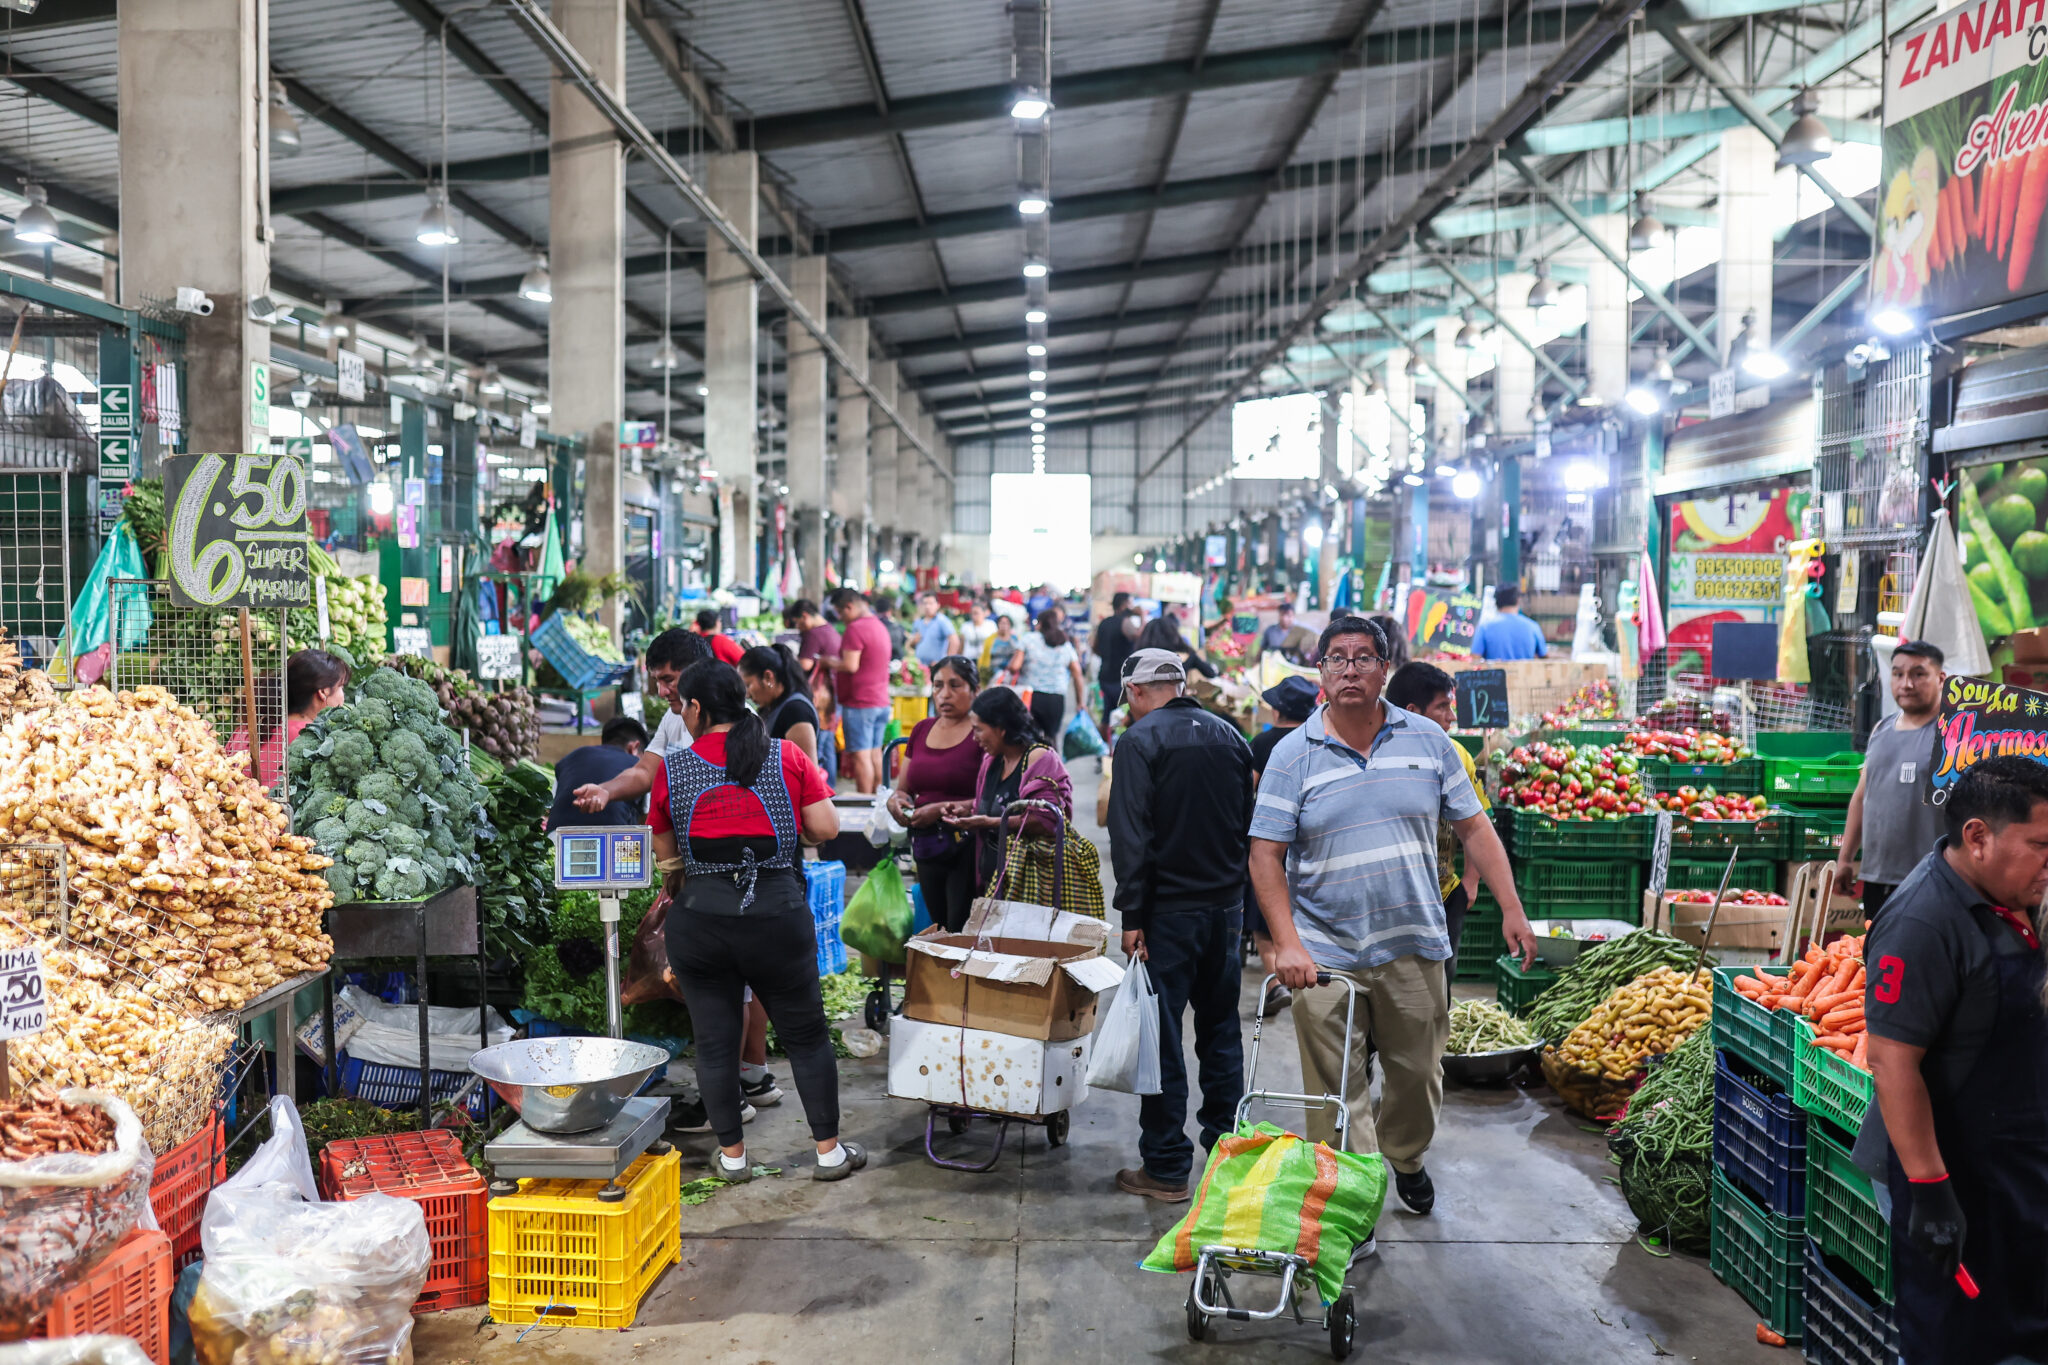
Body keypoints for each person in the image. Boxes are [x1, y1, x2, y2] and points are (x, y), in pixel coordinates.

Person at [1249, 615, 1535, 1216]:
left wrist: (1511, 906)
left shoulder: (1429, 741)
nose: (1350, 669)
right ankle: (1351, 1204)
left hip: (1414, 943)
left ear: (1384, 670)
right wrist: (1286, 943)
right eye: (1337, 658)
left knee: (1418, 1077)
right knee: (1334, 1092)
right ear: (1321, 672)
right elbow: (1265, 855)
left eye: (1363, 658)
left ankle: (1404, 1154)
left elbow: (1474, 827)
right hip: (1324, 954)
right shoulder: (1291, 756)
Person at [1861, 754, 2048, 1365]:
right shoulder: (1923, 920)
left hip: (2018, 1170)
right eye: (2041, 845)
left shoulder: (2015, 895)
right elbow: (1892, 1061)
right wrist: (1931, 1190)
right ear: (1978, 837)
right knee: (1961, 1342)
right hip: (1961, 1182)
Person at [649, 661, 864, 1182]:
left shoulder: (673, 769)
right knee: (807, 1036)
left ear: (696, 708)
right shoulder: (786, 754)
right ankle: (829, 1153)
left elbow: (666, 853)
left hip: (701, 924)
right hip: (776, 918)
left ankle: (733, 1158)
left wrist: (691, 870)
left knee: (714, 1042)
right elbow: (825, 826)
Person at [1105, 649, 1254, 1202]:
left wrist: (1132, 915)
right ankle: (1227, 1163)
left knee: (1161, 1037)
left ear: (1136, 691)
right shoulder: (1230, 736)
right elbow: (1248, 824)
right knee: (1221, 1032)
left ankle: (1167, 1167)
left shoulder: (1139, 741)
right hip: (1226, 910)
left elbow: (1131, 836)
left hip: (1167, 915)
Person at [1384, 661, 1491, 988]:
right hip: (1391, 901)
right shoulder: (1380, 757)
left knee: (1440, 982)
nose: (1451, 716)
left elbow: (1477, 823)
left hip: (1444, 894)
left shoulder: (1457, 755)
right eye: (1442, 707)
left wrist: (1470, 881)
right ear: (1413, 711)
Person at [1835, 641, 1945, 922]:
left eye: (1919, 674)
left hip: (1933, 879)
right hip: (1878, 877)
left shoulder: (1953, 736)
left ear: (1941, 678)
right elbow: (1862, 797)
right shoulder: (1880, 730)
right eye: (1898, 674)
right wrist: (1845, 859)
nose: (1906, 684)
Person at [943, 687, 1074, 894]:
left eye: (978, 729)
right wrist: (966, 811)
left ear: (1000, 728)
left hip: (1032, 887)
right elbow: (991, 804)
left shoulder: (1039, 759)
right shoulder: (992, 760)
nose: (974, 738)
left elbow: (1047, 820)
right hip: (994, 882)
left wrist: (991, 822)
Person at [887, 657, 984, 932]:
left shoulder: (981, 733)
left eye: (955, 685)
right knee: (938, 926)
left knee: (959, 928)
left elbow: (992, 797)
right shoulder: (921, 730)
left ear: (975, 690)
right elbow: (904, 789)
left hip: (968, 847)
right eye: (938, 685)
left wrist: (939, 809)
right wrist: (897, 802)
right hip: (927, 844)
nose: (945, 694)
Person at [1246, 674, 1320, 1017]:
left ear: (1276, 711)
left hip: (1272, 840)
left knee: (1262, 917)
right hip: (1311, 842)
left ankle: (1275, 980)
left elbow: (1249, 788)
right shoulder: (1318, 741)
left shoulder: (1263, 744)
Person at [824, 587, 892, 794]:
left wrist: (828, 661)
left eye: (840, 612)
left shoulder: (855, 629)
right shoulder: (878, 625)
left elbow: (850, 665)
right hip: (880, 700)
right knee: (875, 753)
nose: (840, 618)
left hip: (860, 703)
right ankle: (878, 801)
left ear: (849, 607)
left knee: (861, 757)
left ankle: (864, 803)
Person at [254, 648, 352, 788]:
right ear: (323, 692)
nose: (343, 696)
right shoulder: (317, 741)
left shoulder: (249, 728)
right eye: (341, 687)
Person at [547, 717, 648, 830]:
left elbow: (551, 806)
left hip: (557, 836)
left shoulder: (568, 759)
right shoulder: (639, 767)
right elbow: (647, 819)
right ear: (634, 747)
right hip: (614, 837)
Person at [1007, 607, 1087, 742]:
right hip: (1055, 698)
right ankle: (1052, 755)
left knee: (1029, 738)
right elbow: (1077, 674)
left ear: (1040, 624)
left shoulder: (1028, 639)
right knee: (1051, 738)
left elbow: (1014, 666)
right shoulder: (1064, 644)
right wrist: (1080, 702)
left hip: (1030, 696)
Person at [738, 644, 820, 764]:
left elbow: (808, 769)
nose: (747, 695)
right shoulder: (773, 706)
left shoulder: (796, 712)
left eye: (748, 685)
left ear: (768, 677)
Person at [789, 599, 842, 785]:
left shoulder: (813, 634)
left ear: (805, 616)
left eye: (798, 622)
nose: (798, 627)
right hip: (833, 694)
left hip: (820, 697)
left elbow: (805, 664)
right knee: (827, 746)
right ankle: (831, 789)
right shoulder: (831, 630)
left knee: (818, 748)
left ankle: (819, 791)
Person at [1092, 592, 1143, 735]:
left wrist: (1107, 655)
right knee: (1124, 715)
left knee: (1107, 714)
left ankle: (1105, 744)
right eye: (1131, 603)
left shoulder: (1104, 623)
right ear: (1124, 605)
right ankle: (1119, 743)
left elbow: (1095, 647)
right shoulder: (1125, 622)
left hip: (1104, 675)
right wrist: (1142, 616)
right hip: (1120, 677)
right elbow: (1140, 637)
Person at [1470, 585, 1548, 661]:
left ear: (1496, 602)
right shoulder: (1533, 626)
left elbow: (1475, 657)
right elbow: (1544, 656)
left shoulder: (1485, 627)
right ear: (1518, 600)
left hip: (1495, 670)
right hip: (1525, 670)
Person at [1136, 614, 1219, 680]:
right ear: (1173, 634)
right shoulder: (1186, 655)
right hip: (1176, 697)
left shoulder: (1139, 657)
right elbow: (1210, 673)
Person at [910, 592, 962, 669]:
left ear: (938, 605)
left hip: (936, 667)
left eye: (931, 603)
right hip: (920, 666)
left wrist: (946, 662)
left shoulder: (942, 621)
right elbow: (911, 645)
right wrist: (914, 641)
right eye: (925, 603)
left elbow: (955, 641)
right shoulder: (918, 622)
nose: (927, 606)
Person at [958, 600, 998, 667]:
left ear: (984, 613)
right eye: (972, 613)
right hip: (968, 660)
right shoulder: (965, 626)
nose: (973, 616)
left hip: (985, 661)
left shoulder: (991, 625)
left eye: (976, 613)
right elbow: (961, 645)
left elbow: (996, 642)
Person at [981, 612, 1019, 679]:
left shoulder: (1015, 639)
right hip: (992, 674)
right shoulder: (990, 640)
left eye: (1006, 623)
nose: (1004, 625)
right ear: (998, 624)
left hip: (1010, 674)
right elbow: (984, 657)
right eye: (1002, 623)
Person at [872, 591, 909, 662]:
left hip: (881, 662)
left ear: (876, 610)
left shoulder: (873, 627)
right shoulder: (898, 627)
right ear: (890, 611)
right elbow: (905, 640)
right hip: (898, 662)